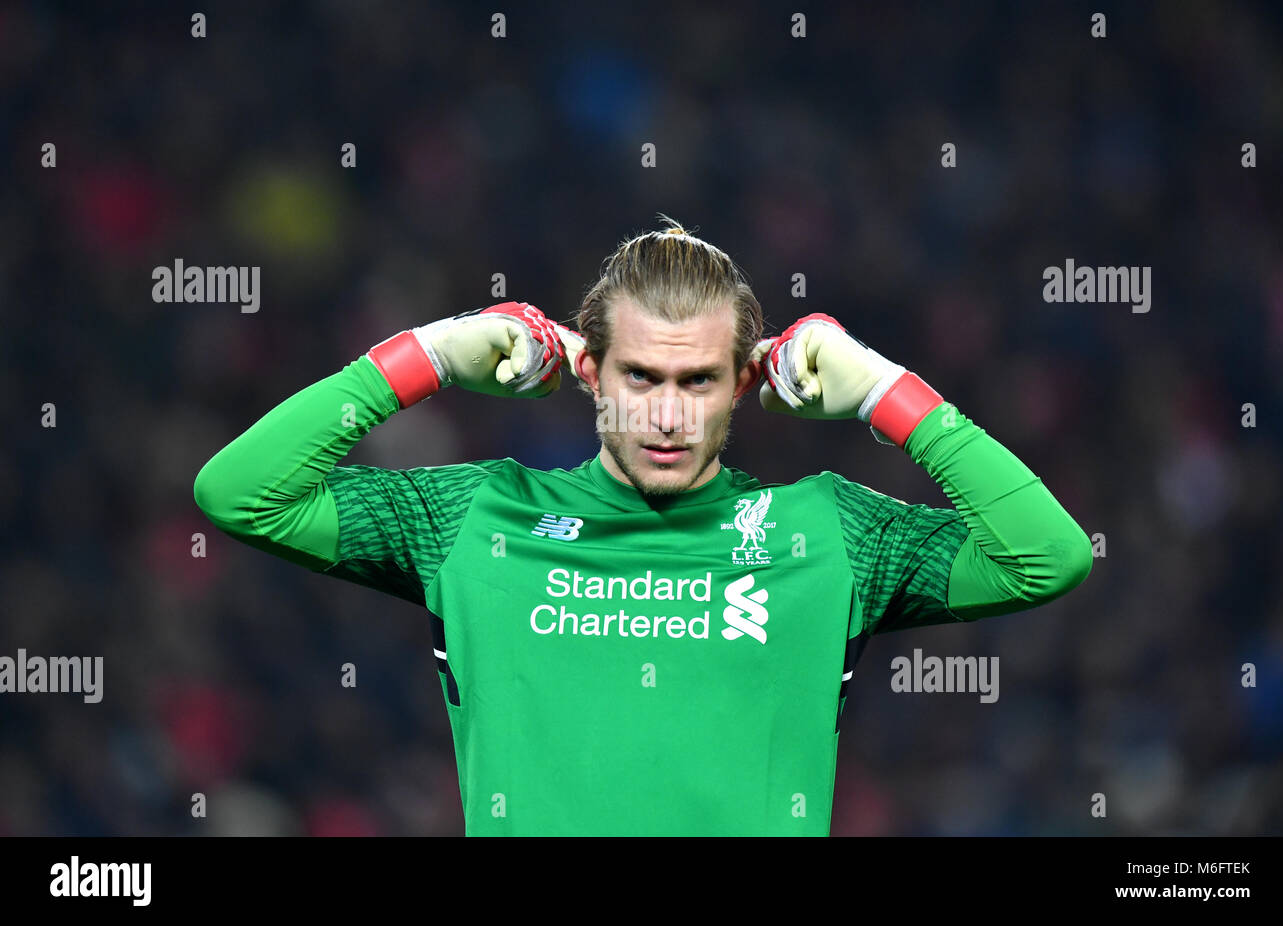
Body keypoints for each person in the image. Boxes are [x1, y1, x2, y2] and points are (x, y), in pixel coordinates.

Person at [194, 217, 1092, 835]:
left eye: (698, 381)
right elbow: (242, 492)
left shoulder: (828, 532)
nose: (667, 416)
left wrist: (882, 392)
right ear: (589, 370)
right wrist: (433, 352)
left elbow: (1045, 557)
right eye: (641, 379)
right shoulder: (477, 517)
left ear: (743, 383)